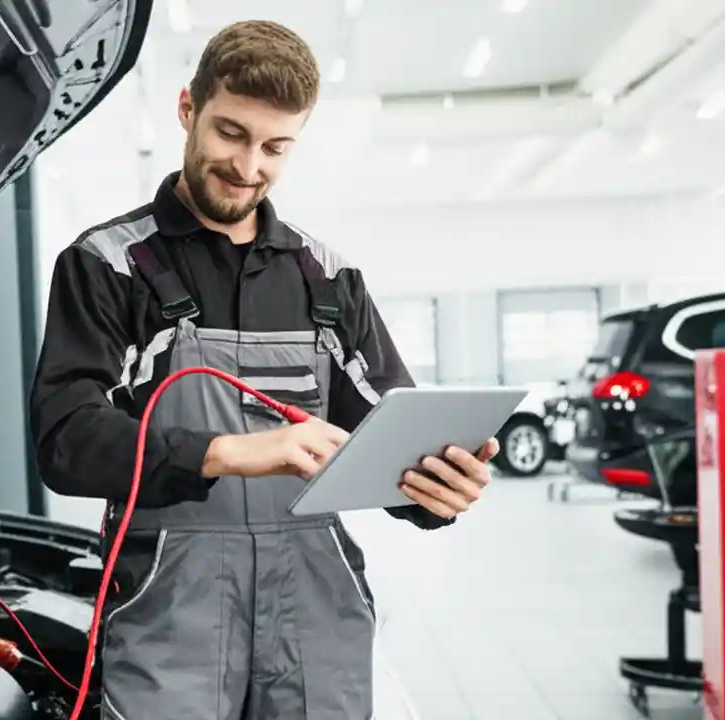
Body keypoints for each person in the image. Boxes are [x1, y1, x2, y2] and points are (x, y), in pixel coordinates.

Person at [29, 19, 499, 720]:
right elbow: (66, 439)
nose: (249, 167)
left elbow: (387, 438)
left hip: (315, 614)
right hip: (170, 612)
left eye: (275, 147)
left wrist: (436, 491)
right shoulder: (110, 266)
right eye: (231, 133)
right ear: (188, 107)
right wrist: (227, 452)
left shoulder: (329, 279)